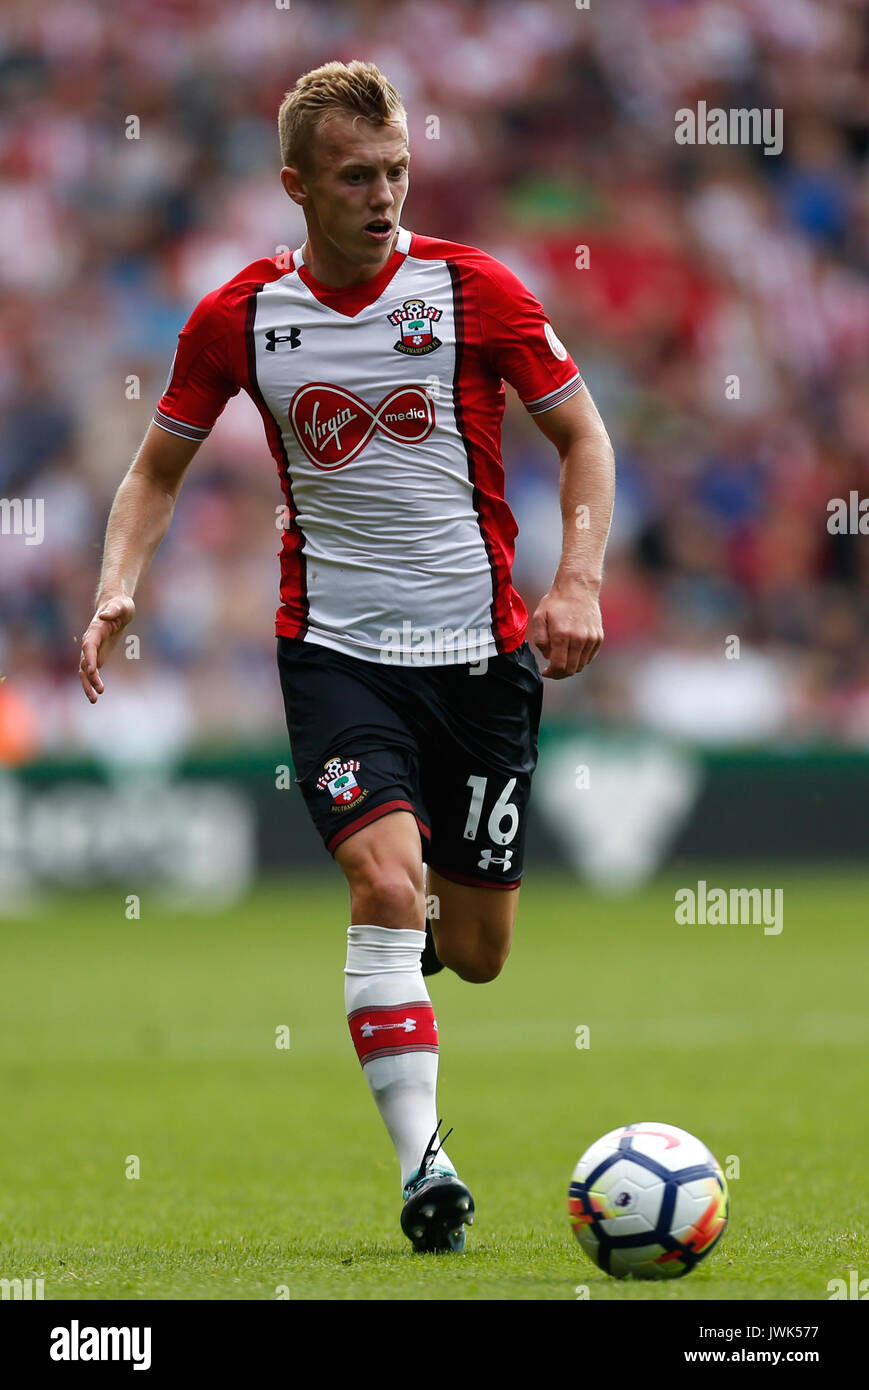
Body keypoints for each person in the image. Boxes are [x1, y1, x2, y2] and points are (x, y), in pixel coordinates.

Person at [79, 60, 614, 1254]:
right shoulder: (237, 317)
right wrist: (118, 583)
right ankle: (427, 1169)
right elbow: (155, 468)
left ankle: (416, 937)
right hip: (336, 655)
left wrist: (575, 576)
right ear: (295, 187)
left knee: (474, 955)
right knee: (381, 885)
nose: (383, 197)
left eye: (397, 173)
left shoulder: (474, 290)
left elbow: (583, 438)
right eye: (356, 177)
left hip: (479, 660)